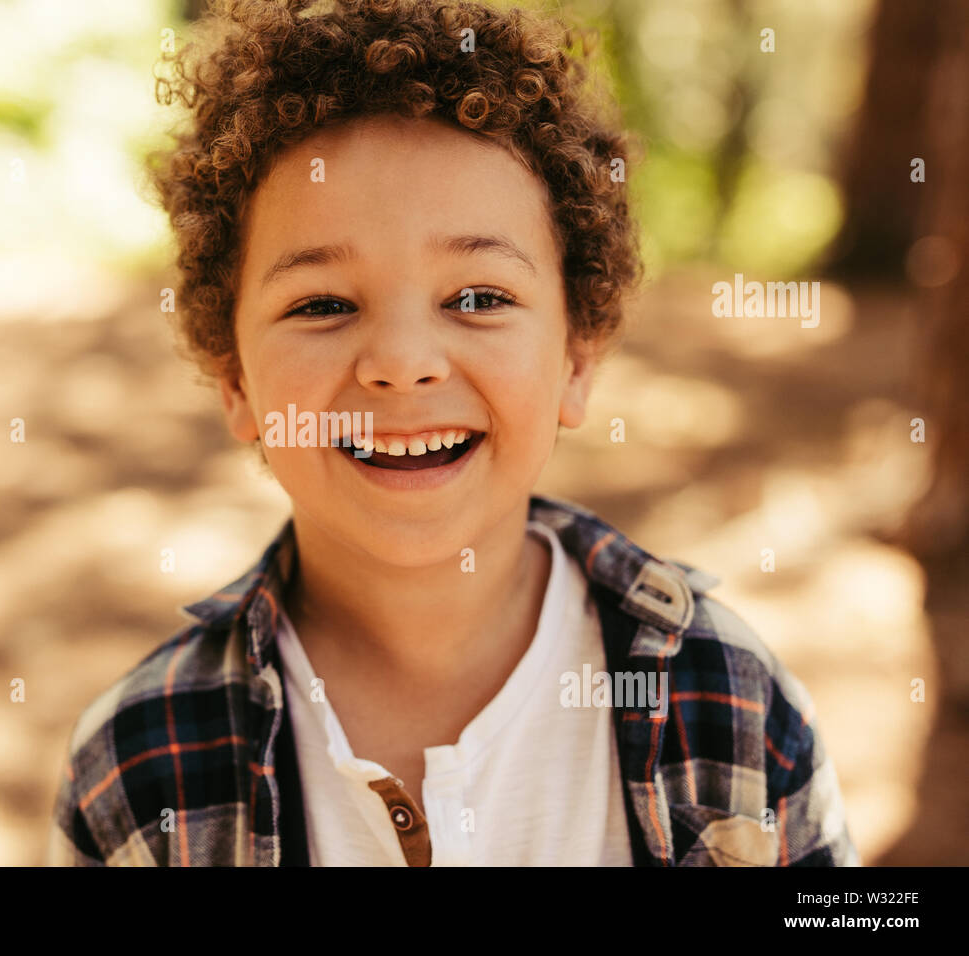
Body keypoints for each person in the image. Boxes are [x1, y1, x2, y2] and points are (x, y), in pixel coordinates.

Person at [49, 0, 859, 866]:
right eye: (322, 304)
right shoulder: (139, 766)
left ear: (576, 363)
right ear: (235, 379)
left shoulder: (729, 700)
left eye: (478, 297)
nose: (402, 364)